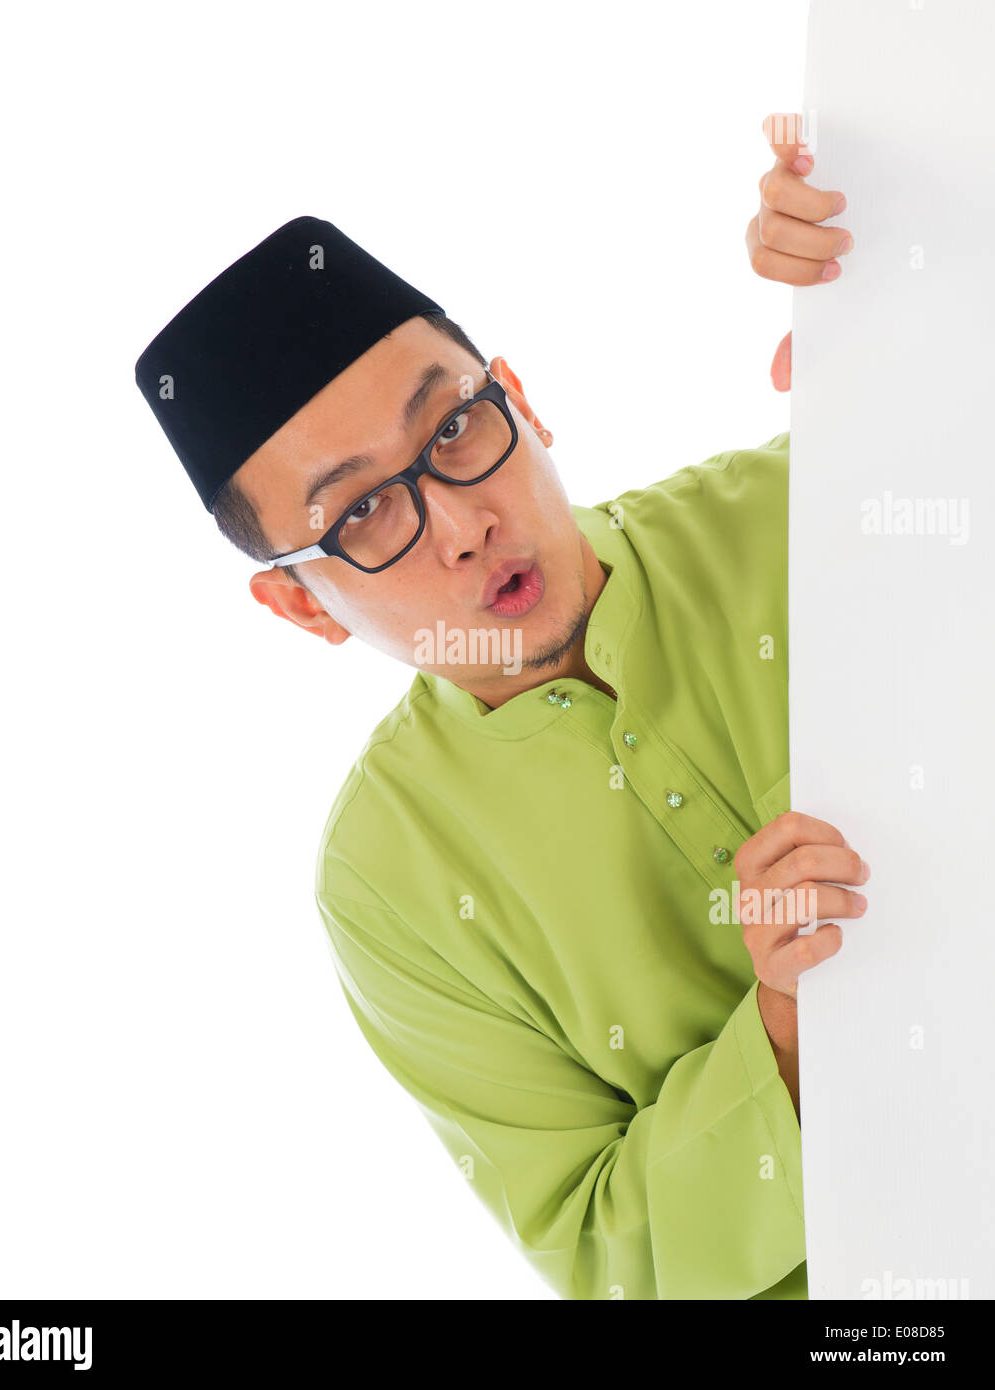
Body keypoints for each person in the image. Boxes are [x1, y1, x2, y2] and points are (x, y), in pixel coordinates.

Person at [135, 113, 869, 1300]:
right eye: (362, 513)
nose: (461, 519)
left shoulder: (811, 504)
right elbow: (601, 1255)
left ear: (519, 399)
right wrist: (781, 1041)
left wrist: (909, 273)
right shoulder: (387, 878)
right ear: (301, 608)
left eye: (456, 426)